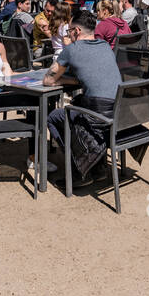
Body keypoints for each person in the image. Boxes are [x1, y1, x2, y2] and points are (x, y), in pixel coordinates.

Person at [44, 10, 123, 186]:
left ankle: (79, 170)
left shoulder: (71, 50)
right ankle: (97, 167)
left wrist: (66, 80)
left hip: (98, 116)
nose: (68, 34)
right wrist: (77, 79)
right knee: (77, 104)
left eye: (69, 31)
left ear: (76, 31)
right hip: (119, 112)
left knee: (54, 117)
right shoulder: (105, 45)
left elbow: (48, 80)